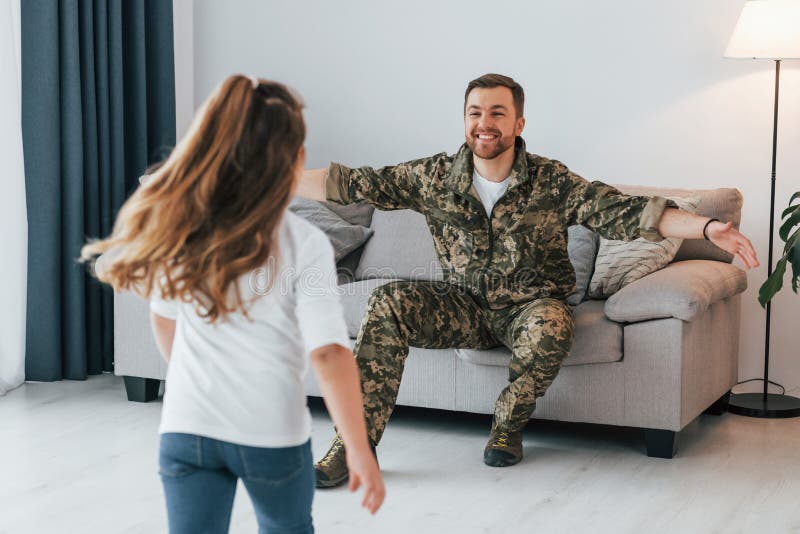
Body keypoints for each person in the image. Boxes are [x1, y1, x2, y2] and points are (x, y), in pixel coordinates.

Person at [296, 73, 760, 486]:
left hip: (531, 308)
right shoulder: (432, 177)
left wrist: (706, 227)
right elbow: (348, 183)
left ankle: (507, 424)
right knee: (388, 301)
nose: (485, 123)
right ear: (464, 120)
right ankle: (354, 448)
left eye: (498, 112)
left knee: (552, 325)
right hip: (465, 305)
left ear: (518, 123)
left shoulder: (551, 181)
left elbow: (630, 213)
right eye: (475, 112)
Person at [81, 74, 384, 533]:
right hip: (271, 434)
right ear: (296, 160)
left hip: (188, 427)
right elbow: (329, 353)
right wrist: (358, 448)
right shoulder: (303, 242)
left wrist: (199, 381)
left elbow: (163, 322)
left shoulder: (180, 226)